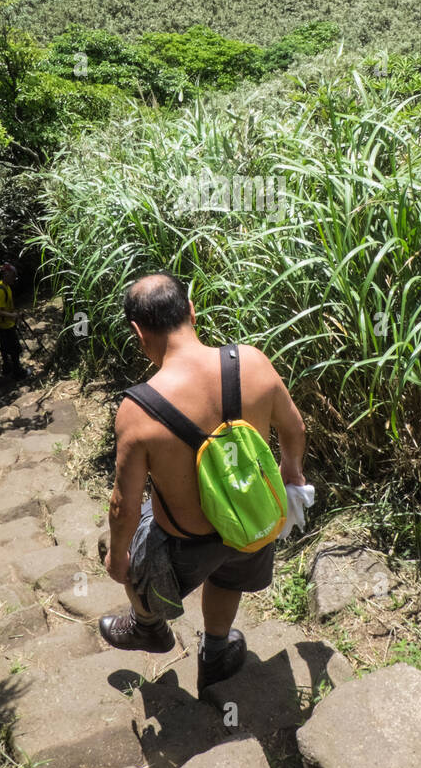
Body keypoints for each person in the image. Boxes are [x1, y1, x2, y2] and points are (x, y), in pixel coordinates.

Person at [100, 272, 307, 695]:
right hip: (252, 522)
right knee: (229, 575)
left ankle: (150, 627)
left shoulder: (138, 410)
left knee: (113, 545)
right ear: (192, 312)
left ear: (139, 333)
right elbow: (294, 427)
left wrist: (118, 557)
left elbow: (125, 504)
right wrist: (292, 474)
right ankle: (215, 652)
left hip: (183, 545)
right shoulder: (251, 361)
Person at [0, 261, 28, 380]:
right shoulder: (0, 290)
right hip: (4, 325)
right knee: (15, 349)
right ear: (6, 275)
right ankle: (18, 373)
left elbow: (8, 305)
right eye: (13, 275)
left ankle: (7, 369)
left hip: (7, 323)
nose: (15, 278)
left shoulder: (6, 287)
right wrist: (13, 316)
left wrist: (15, 314)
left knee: (5, 347)